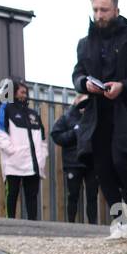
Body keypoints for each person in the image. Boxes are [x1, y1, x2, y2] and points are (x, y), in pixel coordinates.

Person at [70, 0, 127, 238]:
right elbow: (77, 73)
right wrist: (83, 82)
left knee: (123, 162)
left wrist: (123, 87)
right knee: (102, 167)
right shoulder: (85, 44)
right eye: (95, 10)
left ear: (116, 10)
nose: (99, 15)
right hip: (97, 115)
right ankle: (120, 220)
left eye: (104, 10)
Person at [0, 79, 48, 220]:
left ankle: (33, 226)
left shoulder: (34, 114)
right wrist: (12, 152)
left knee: (32, 197)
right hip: (13, 163)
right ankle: (10, 225)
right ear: (13, 92)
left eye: (26, 92)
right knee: (12, 194)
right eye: (22, 92)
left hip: (33, 165)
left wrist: (41, 157)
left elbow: (42, 139)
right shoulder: (5, 107)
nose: (25, 95)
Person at [51, 94, 100, 225]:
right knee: (73, 195)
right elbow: (56, 136)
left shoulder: (93, 116)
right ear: (76, 101)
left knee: (92, 195)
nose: (85, 106)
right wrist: (74, 132)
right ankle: (71, 224)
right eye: (83, 102)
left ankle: (93, 225)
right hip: (73, 163)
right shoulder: (66, 118)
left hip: (91, 163)